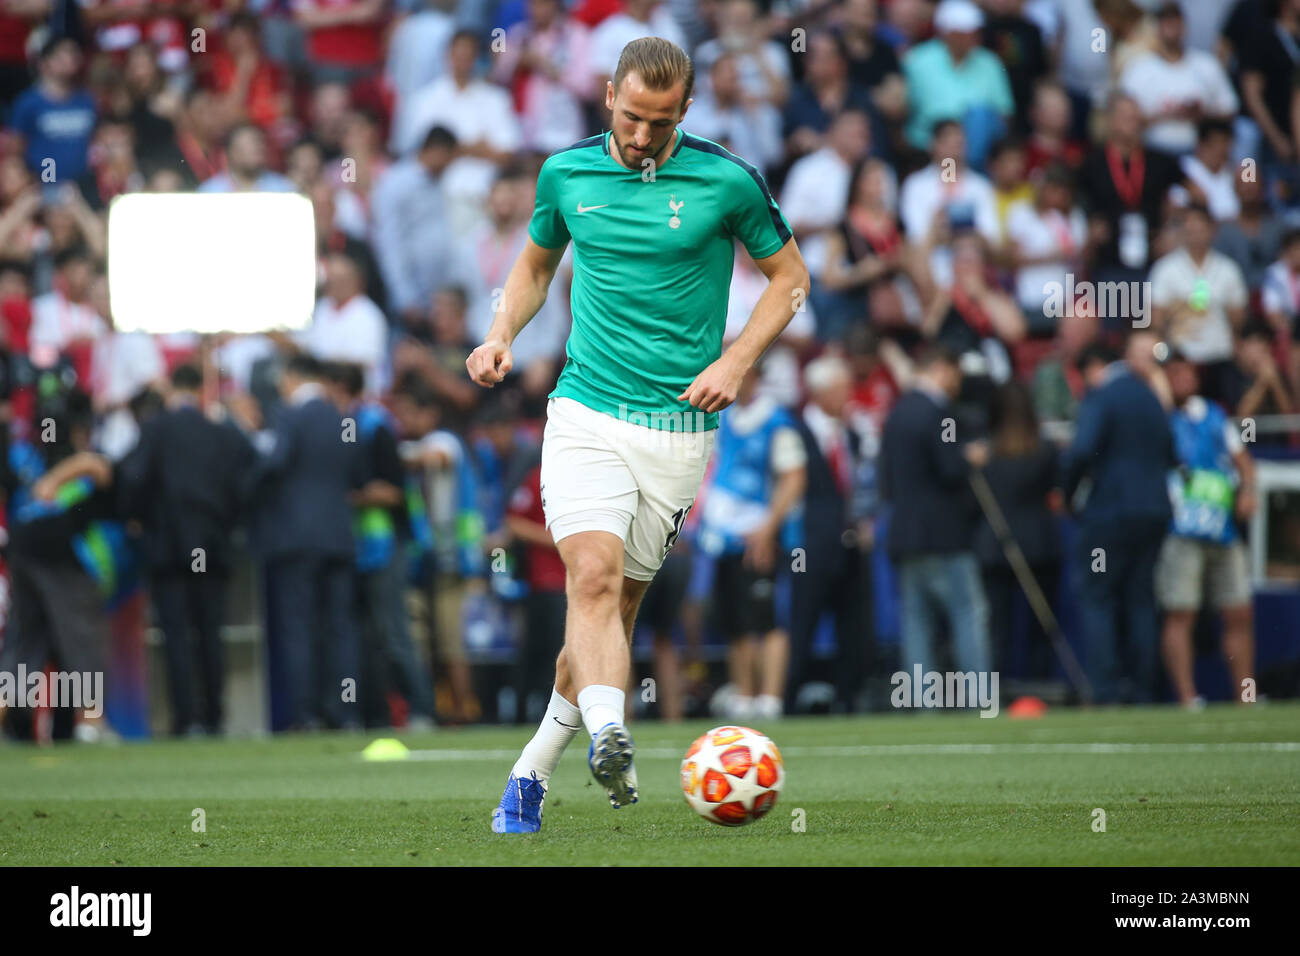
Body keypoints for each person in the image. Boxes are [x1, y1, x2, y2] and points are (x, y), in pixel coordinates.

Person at [467, 37, 808, 832]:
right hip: (585, 411)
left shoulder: (727, 180)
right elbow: (534, 269)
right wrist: (500, 333)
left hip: (679, 431)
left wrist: (738, 360)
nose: (641, 136)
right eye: (629, 116)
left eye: (660, 122)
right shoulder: (566, 172)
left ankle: (530, 773)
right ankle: (613, 729)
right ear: (608, 93)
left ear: (685, 110)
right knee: (589, 576)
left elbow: (790, 279)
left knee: (611, 616)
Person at [112, 363, 256, 736]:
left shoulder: (157, 429)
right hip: (211, 545)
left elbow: (132, 479)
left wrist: (137, 519)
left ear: (173, 389)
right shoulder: (222, 433)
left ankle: (186, 718)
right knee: (210, 631)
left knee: (177, 633)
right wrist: (227, 522)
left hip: (169, 547)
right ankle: (214, 717)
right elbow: (251, 477)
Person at [246, 354, 366, 731]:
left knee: (298, 629)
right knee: (340, 628)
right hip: (338, 537)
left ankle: (305, 715)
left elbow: (275, 462)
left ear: (294, 378)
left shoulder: (289, 415)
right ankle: (345, 712)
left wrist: (247, 485)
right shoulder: (343, 419)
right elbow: (357, 474)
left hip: (295, 539)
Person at [1060, 330, 1178, 704]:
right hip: (1155, 511)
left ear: (1096, 368)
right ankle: (1144, 690)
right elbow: (1172, 452)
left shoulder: (1103, 395)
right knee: (1142, 600)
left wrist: (1066, 494)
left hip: (1110, 514)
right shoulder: (1150, 397)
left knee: (1099, 598)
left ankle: (1107, 691)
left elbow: (1082, 449)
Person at [696, 363, 806, 721]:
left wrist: (768, 528)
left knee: (767, 618)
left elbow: (793, 478)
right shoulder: (723, 420)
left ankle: (770, 696)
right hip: (725, 537)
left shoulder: (777, 422)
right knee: (735, 619)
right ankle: (744, 693)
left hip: (761, 534)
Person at [879, 345, 993, 684]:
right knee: (967, 613)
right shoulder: (940, 413)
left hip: (905, 533)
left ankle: (920, 698)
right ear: (942, 368)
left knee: (916, 622)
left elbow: (888, 479)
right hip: (945, 534)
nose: (957, 383)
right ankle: (977, 694)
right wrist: (970, 457)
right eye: (956, 374)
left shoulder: (897, 413)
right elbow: (950, 469)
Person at [1156, 349, 1256, 708]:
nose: (1180, 378)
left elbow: (1245, 464)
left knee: (1238, 611)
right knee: (1181, 611)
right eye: (1172, 373)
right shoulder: (1159, 418)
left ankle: (1246, 695)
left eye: (1185, 371)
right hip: (1180, 531)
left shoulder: (1215, 416)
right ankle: (1187, 698)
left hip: (1222, 527)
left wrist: (1247, 492)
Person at [974, 382, 1061, 679]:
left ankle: (997, 687)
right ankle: (1040, 686)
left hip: (995, 546)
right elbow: (1058, 491)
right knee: (1042, 622)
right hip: (1040, 543)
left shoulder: (984, 455)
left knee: (998, 626)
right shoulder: (1045, 450)